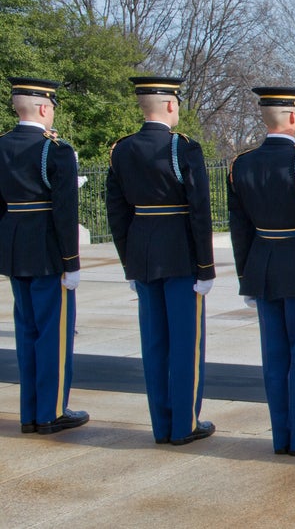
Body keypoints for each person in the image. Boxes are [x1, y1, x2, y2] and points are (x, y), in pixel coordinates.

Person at [228, 86, 295, 456]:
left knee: (275, 358)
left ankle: (281, 435)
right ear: (294, 117)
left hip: (263, 266)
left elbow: (239, 227)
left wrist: (246, 276)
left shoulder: (241, 163)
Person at [106, 75, 216, 445]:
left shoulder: (121, 149)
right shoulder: (182, 148)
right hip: (181, 255)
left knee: (154, 343)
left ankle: (161, 425)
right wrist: (206, 266)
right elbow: (200, 212)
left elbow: (116, 213)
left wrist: (128, 259)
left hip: (142, 252)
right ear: (171, 104)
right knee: (185, 342)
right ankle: (184, 425)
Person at [0, 77, 88, 435]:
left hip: (14, 249)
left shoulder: (2, 145)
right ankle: (51, 412)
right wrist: (72, 262)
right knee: (53, 333)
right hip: (49, 252)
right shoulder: (55, 149)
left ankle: (30, 413)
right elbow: (64, 212)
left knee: (27, 331)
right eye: (51, 107)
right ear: (42, 108)